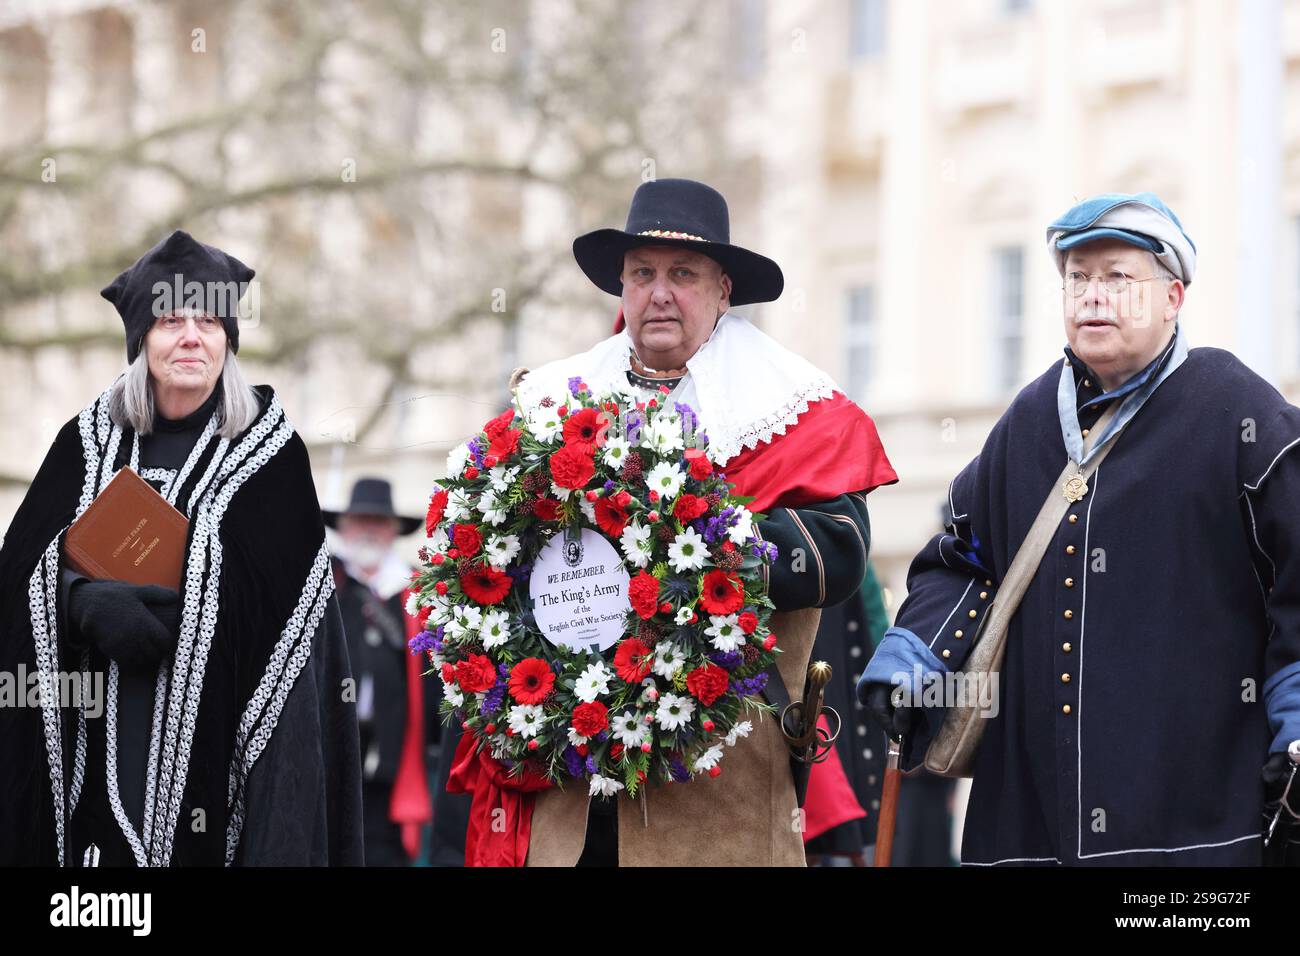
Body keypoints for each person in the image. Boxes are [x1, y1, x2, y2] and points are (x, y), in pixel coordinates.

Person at [462, 177, 898, 867]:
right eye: (642, 274)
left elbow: (834, 559)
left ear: (723, 290)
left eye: (683, 274)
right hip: (574, 797)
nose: (659, 292)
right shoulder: (553, 398)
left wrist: (686, 537)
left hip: (722, 786)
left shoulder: (791, 404)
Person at [859, 193, 1300, 866]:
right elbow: (959, 556)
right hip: (1030, 823)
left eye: (1118, 277)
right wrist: (917, 657)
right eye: (1077, 278)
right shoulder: (1031, 416)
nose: (1092, 296)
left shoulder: (1238, 408)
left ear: (1173, 297)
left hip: (1195, 828)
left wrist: (1294, 725)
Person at [0, 229, 364, 866]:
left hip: (219, 759)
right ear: (142, 339)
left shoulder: (272, 457)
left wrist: (194, 603)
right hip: (91, 745)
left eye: (209, 320)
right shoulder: (84, 443)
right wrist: (80, 598)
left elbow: (290, 632)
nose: (192, 336)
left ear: (229, 338)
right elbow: (18, 574)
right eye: (171, 320)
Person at [324, 477, 434, 866]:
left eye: (379, 520)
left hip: (391, 756)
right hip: (333, 751)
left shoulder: (415, 592)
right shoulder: (327, 583)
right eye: (360, 519)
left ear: (392, 529)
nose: (369, 528)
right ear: (345, 526)